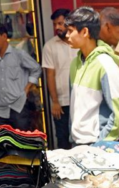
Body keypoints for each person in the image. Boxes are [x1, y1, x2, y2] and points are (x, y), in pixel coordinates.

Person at [67, 7, 119, 144]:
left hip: (95, 144)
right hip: (76, 142)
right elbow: (75, 105)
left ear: (85, 32)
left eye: (70, 31)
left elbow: (118, 114)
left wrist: (100, 144)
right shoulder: (75, 63)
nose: (67, 36)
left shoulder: (105, 64)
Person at [0, 23, 42, 130]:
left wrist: (26, 89)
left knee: (22, 144)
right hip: (1, 111)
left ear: (4, 36)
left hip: (19, 109)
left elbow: (36, 69)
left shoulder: (19, 54)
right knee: (4, 144)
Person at [41, 9, 78, 149]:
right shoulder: (50, 46)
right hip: (61, 104)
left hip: (80, 100)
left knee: (79, 137)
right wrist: (55, 101)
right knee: (62, 139)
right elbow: (50, 75)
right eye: (55, 24)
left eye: (60, 23)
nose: (57, 27)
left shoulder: (79, 42)